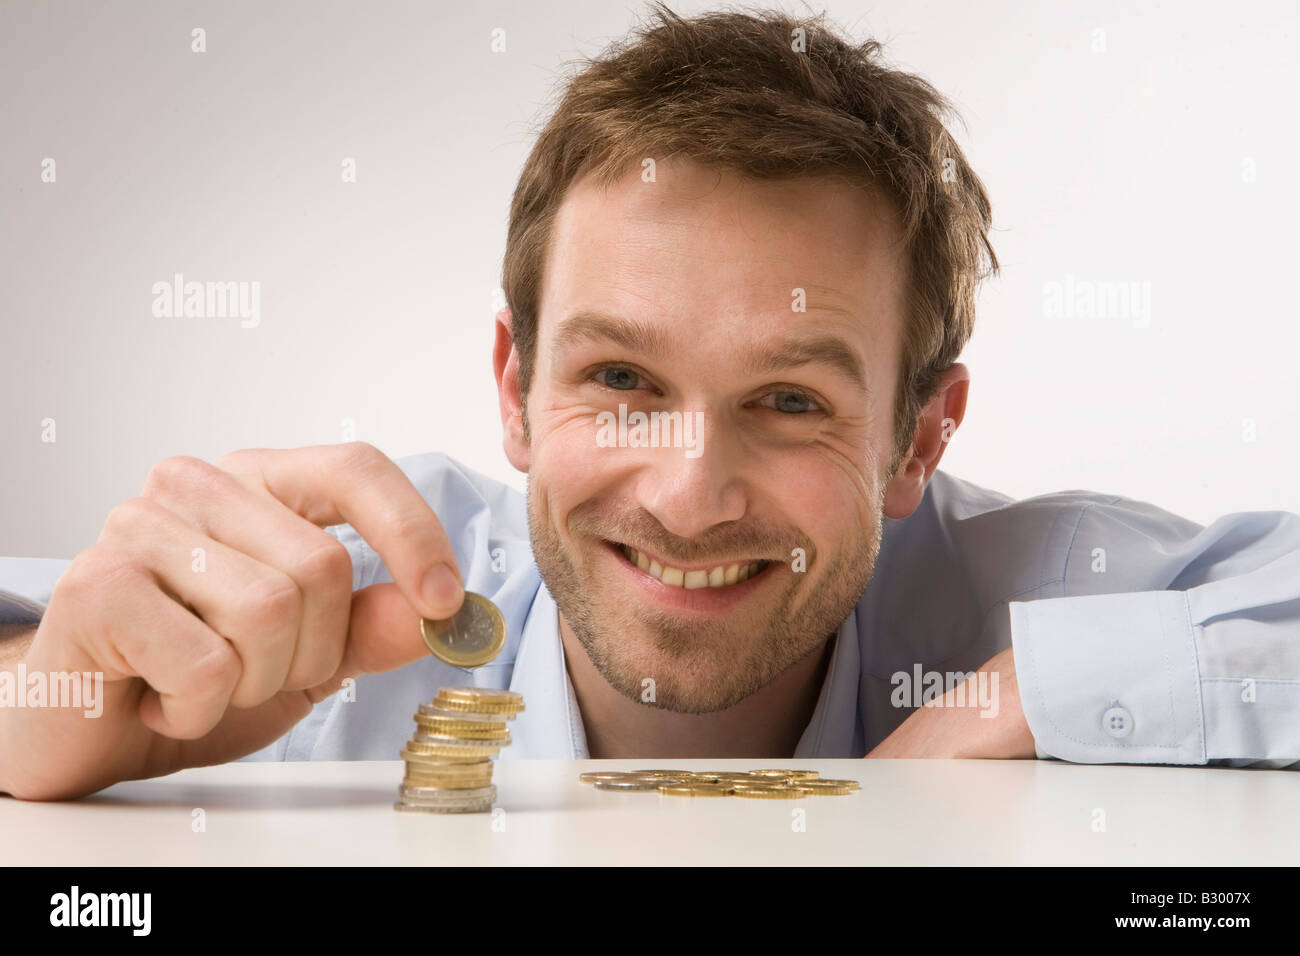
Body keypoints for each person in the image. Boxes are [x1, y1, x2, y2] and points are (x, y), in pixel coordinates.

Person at [2, 4, 1297, 801]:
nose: (686, 493)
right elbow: (45, 670)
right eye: (620, 378)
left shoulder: (1038, 594)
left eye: (789, 400)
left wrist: (1010, 703)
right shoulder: (322, 612)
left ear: (918, 438)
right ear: (516, 389)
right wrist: (41, 716)